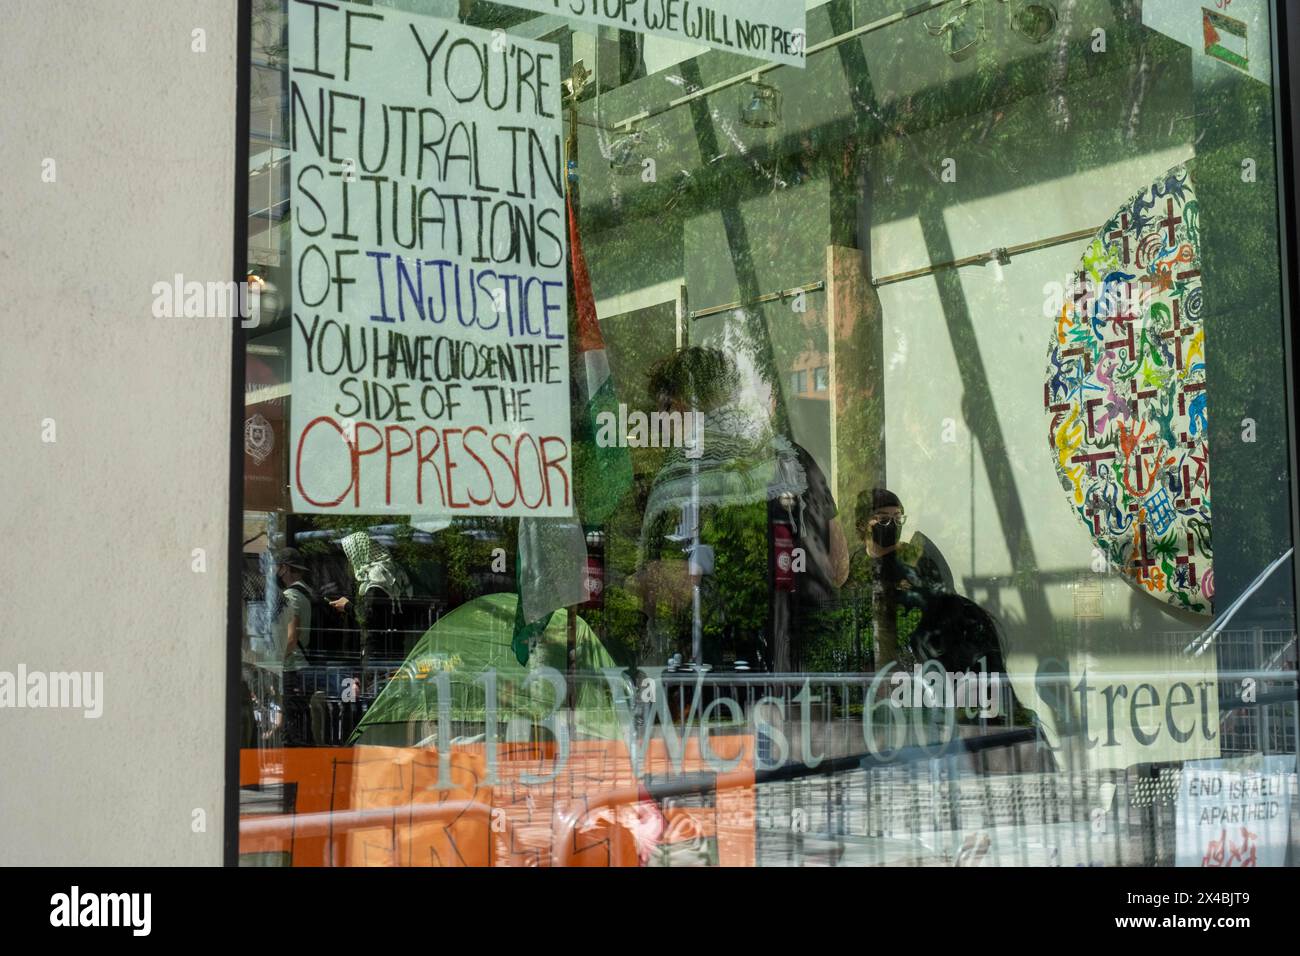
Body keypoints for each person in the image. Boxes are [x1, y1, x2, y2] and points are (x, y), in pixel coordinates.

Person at [271, 547, 314, 746]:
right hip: (303, 668)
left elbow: (291, 637)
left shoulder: (291, 596)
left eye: (276, 567)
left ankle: (300, 772)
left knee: (294, 731)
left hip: (293, 668)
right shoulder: (306, 592)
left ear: (285, 568)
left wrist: (275, 663)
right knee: (300, 725)